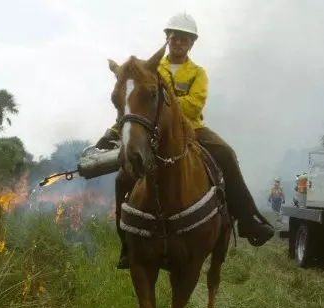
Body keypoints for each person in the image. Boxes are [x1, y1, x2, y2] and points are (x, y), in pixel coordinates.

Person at [96, 12, 275, 269]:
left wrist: (164, 104)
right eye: (174, 37)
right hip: (154, 131)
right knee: (123, 176)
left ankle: (247, 219)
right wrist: (112, 133)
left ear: (191, 43)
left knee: (226, 153)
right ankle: (126, 241)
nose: (179, 42)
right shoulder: (152, 69)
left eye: (184, 39)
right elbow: (136, 107)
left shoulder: (197, 73)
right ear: (167, 40)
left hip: (191, 129)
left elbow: (193, 105)